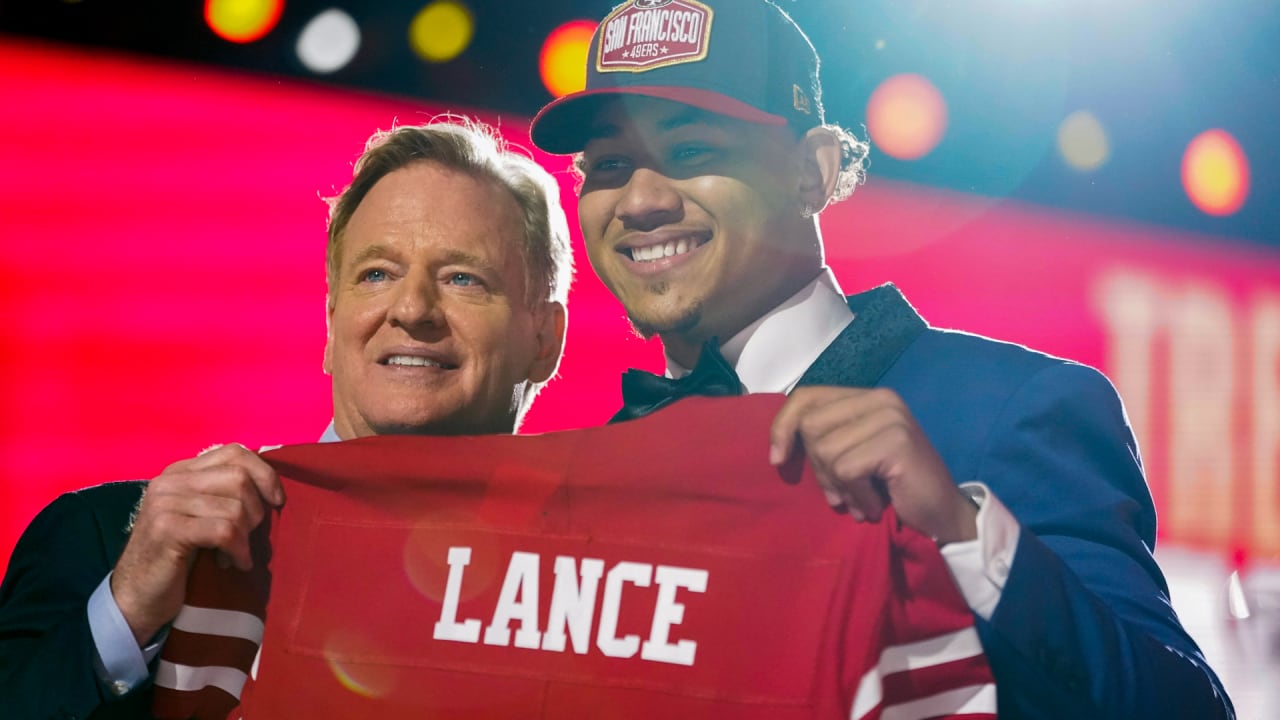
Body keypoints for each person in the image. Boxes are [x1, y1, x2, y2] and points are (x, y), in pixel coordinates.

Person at [528, 1, 1233, 717]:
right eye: (610, 164)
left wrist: (963, 534)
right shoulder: (594, 472)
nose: (640, 201)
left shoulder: (1017, 409)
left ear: (813, 171)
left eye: (692, 152)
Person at [0, 117, 573, 720]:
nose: (411, 309)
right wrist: (128, 610)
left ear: (545, 340)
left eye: (463, 278)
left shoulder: (591, 594)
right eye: (377, 274)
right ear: (331, 324)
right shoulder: (106, 538)